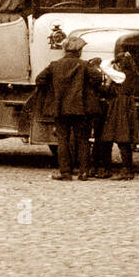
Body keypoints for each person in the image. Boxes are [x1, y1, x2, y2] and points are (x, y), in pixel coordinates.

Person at [35, 35, 104, 180]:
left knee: (63, 141)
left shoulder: (54, 65)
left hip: (60, 109)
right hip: (81, 109)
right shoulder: (84, 65)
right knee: (83, 140)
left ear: (65, 50)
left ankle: (65, 173)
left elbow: (39, 79)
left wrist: (53, 92)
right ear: (78, 51)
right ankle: (84, 172)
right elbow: (97, 78)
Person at [94, 44, 139, 180]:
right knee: (123, 137)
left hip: (120, 105)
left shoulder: (120, 76)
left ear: (121, 64)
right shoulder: (130, 74)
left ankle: (126, 172)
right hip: (127, 105)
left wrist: (113, 60)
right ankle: (127, 170)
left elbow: (104, 66)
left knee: (121, 137)